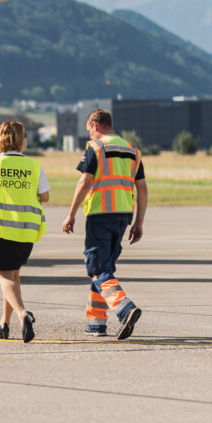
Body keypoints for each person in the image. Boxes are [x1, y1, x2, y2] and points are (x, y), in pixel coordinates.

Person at [61, 109, 147, 339]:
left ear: (95, 126)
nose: (89, 136)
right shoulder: (132, 150)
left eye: (89, 130)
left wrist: (71, 214)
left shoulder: (96, 148)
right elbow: (142, 189)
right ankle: (97, 323)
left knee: (98, 269)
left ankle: (124, 309)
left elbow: (84, 181)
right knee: (102, 270)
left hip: (100, 216)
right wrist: (139, 222)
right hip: (122, 218)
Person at [0, 120, 49, 343]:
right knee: (13, 275)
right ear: (22, 140)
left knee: (4, 275)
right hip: (26, 230)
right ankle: (4, 324)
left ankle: (23, 314)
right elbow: (44, 197)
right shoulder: (34, 166)